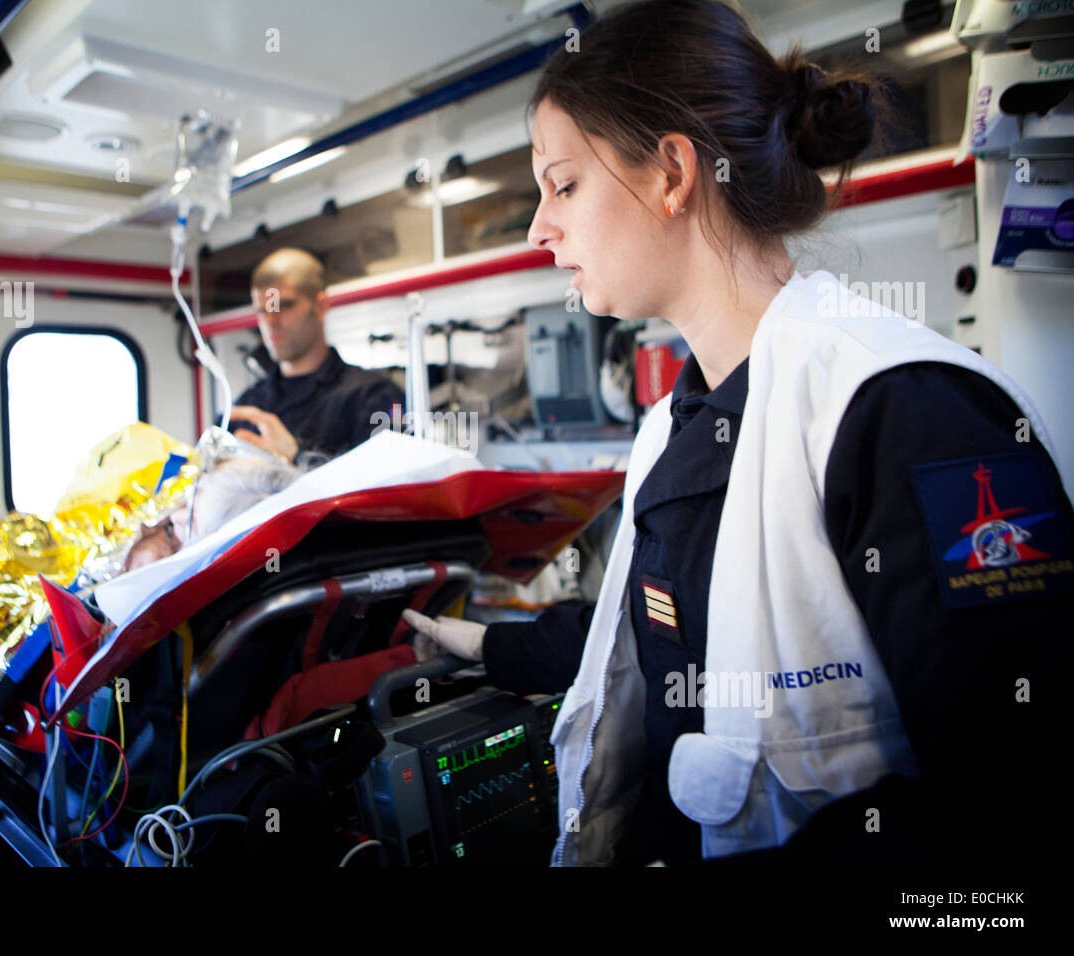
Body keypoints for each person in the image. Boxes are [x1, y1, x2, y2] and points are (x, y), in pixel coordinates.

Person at [405, 0, 1069, 867]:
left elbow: (1017, 806)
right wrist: (489, 645)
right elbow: (662, 634)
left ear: (671, 174)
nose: (540, 228)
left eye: (564, 184)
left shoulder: (907, 410)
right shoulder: (677, 427)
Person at [230, 247, 405, 465]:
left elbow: (390, 487)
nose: (271, 322)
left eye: (284, 305)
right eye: (263, 310)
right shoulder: (247, 408)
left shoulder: (371, 397)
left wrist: (297, 458)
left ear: (321, 306)